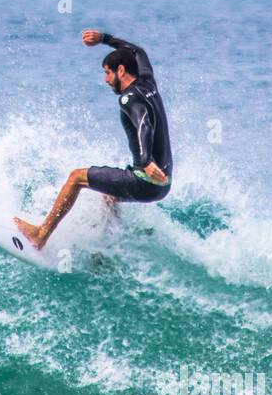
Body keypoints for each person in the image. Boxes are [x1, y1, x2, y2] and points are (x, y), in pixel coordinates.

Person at [14, 29, 173, 250]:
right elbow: (137, 51)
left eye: (108, 73)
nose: (106, 80)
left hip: (145, 180)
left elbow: (143, 123)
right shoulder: (148, 83)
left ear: (121, 70)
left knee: (76, 177)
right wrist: (105, 39)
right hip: (163, 184)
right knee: (109, 195)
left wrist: (146, 162)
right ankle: (105, 249)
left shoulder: (129, 98)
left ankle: (40, 234)